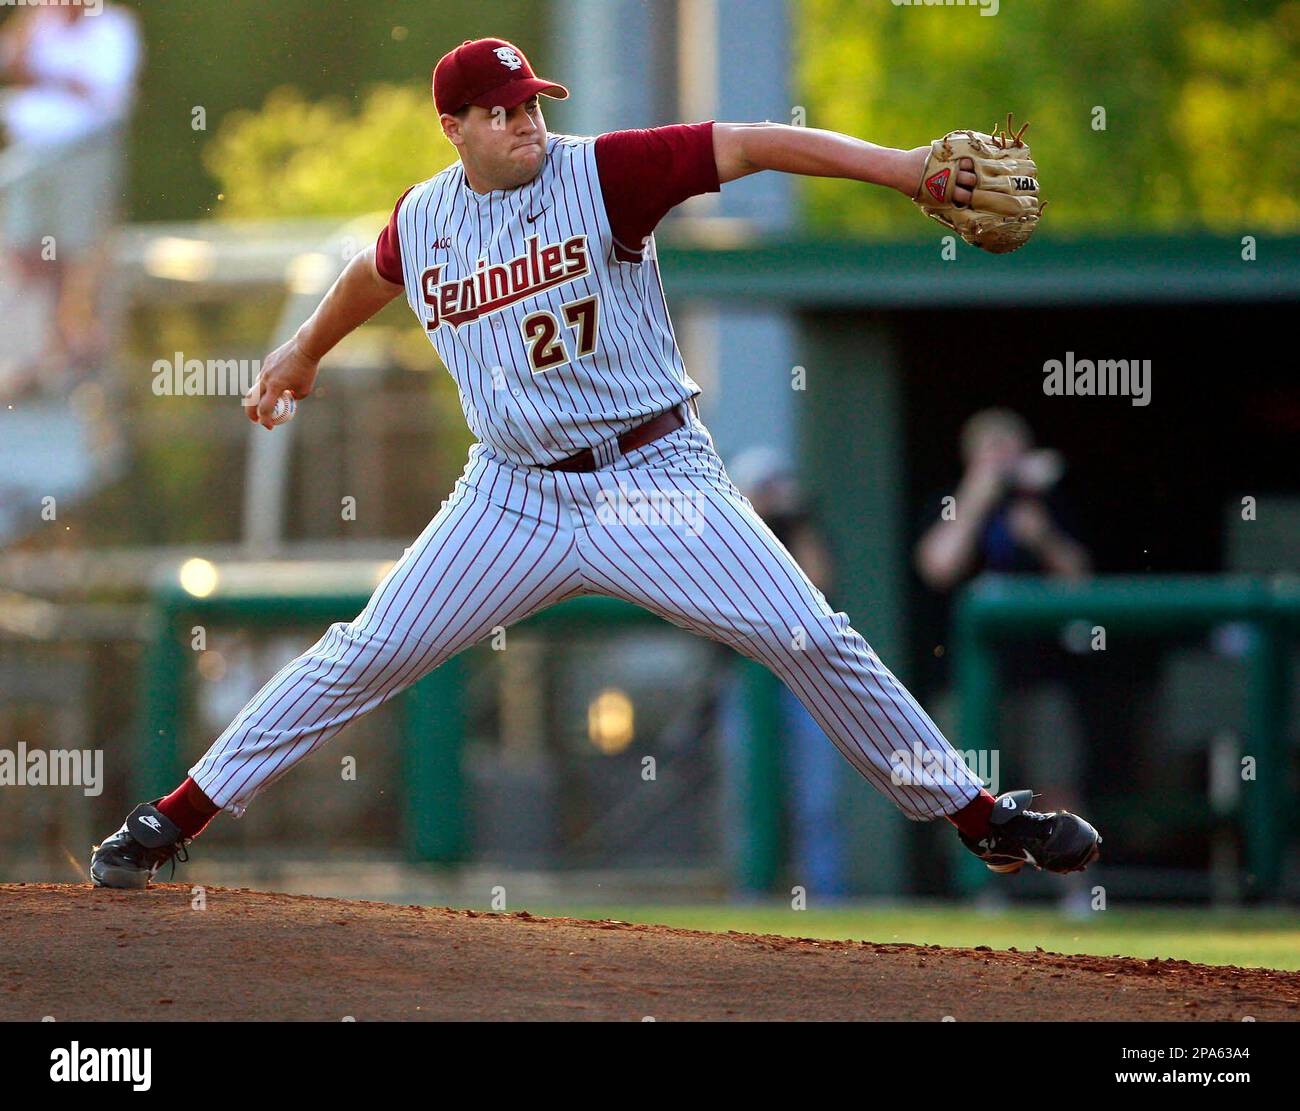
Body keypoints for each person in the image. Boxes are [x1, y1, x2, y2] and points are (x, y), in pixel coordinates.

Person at [91, 37, 1099, 888]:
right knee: (363, 652)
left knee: (805, 631)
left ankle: (976, 814)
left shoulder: (604, 170)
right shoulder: (426, 218)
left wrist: (900, 163)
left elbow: (748, 143)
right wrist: (303, 351)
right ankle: (172, 820)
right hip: (512, 494)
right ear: (453, 128)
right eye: (498, 112)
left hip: (652, 477)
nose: (525, 123)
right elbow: (370, 273)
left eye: (530, 103)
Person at [722, 446, 846, 894]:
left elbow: (821, 586)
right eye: (764, 488)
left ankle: (829, 901)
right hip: (747, 680)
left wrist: (798, 519)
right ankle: (750, 896)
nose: (774, 496)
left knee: (818, 801)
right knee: (747, 797)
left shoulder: (802, 532)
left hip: (806, 682)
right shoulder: (725, 528)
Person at [0, 2, 141, 387]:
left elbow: (100, 92)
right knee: (24, 245)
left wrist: (48, 75)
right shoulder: (38, 24)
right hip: (34, 151)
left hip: (86, 152)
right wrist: (31, 28)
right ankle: (61, 338)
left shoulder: (113, 27)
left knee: (80, 247)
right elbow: (14, 66)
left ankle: (72, 343)